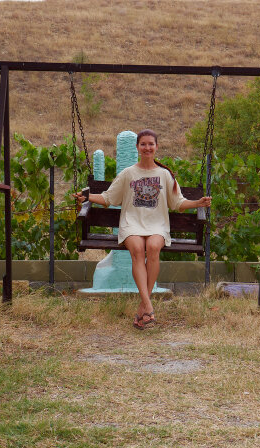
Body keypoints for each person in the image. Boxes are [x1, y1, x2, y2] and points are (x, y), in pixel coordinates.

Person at [75, 129, 211, 329]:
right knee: (138, 250)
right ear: (137, 147)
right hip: (132, 224)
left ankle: (143, 307)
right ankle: (148, 305)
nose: (147, 148)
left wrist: (197, 203)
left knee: (153, 248)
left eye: (150, 144)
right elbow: (108, 198)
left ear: (156, 147)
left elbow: (177, 203)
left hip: (157, 225)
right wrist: (87, 197)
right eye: (143, 144)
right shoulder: (128, 173)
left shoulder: (165, 175)